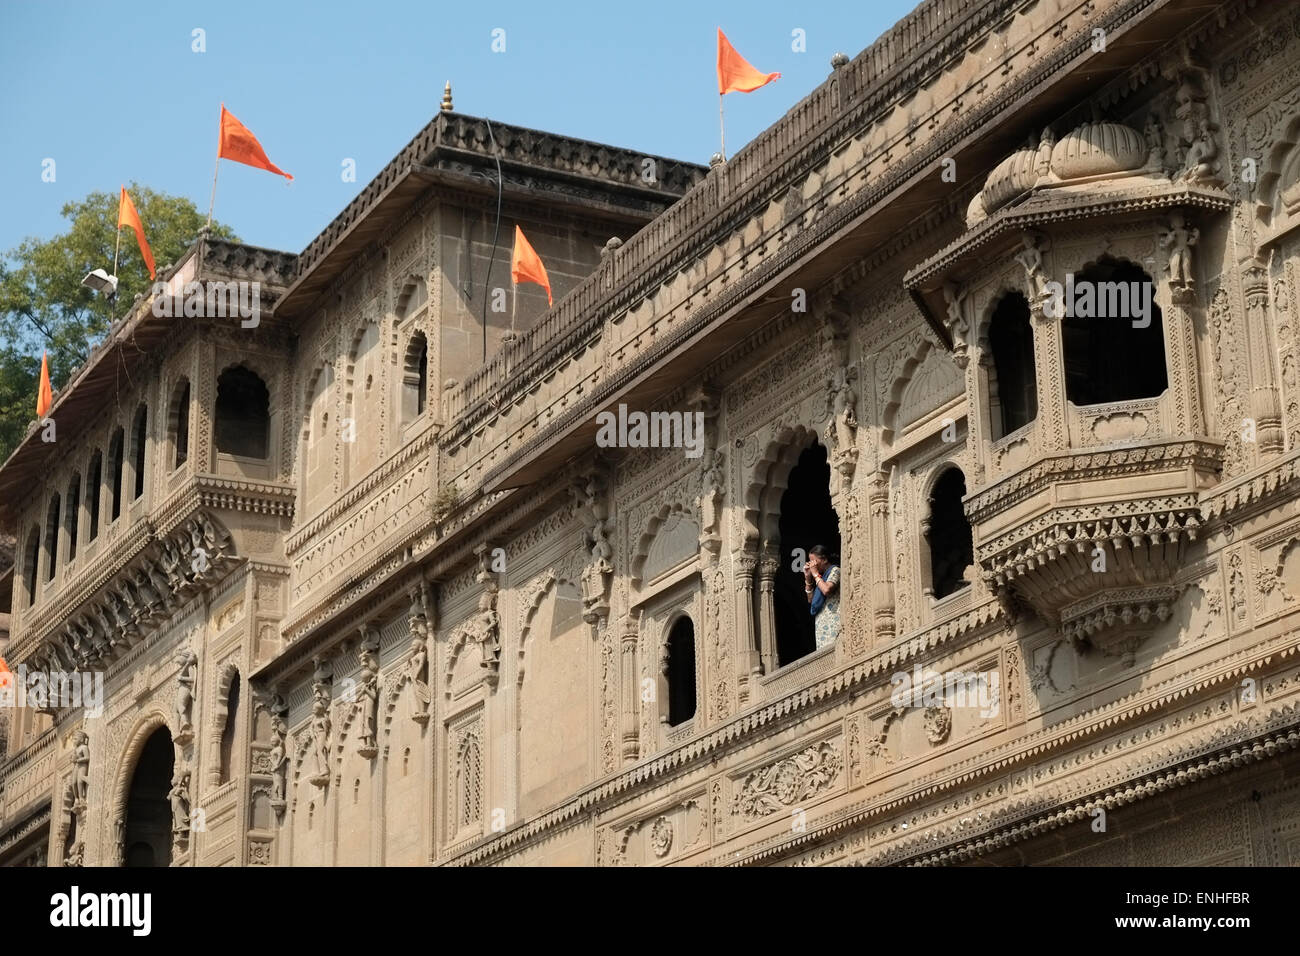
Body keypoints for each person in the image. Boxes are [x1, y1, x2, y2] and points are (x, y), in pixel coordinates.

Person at [804, 545, 841, 649]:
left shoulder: (835, 570)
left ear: (824, 559)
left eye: (814, 561)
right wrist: (808, 578)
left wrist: (815, 574)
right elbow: (811, 600)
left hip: (833, 623)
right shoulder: (821, 578)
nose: (812, 565)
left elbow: (826, 590)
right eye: (810, 562)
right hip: (822, 627)